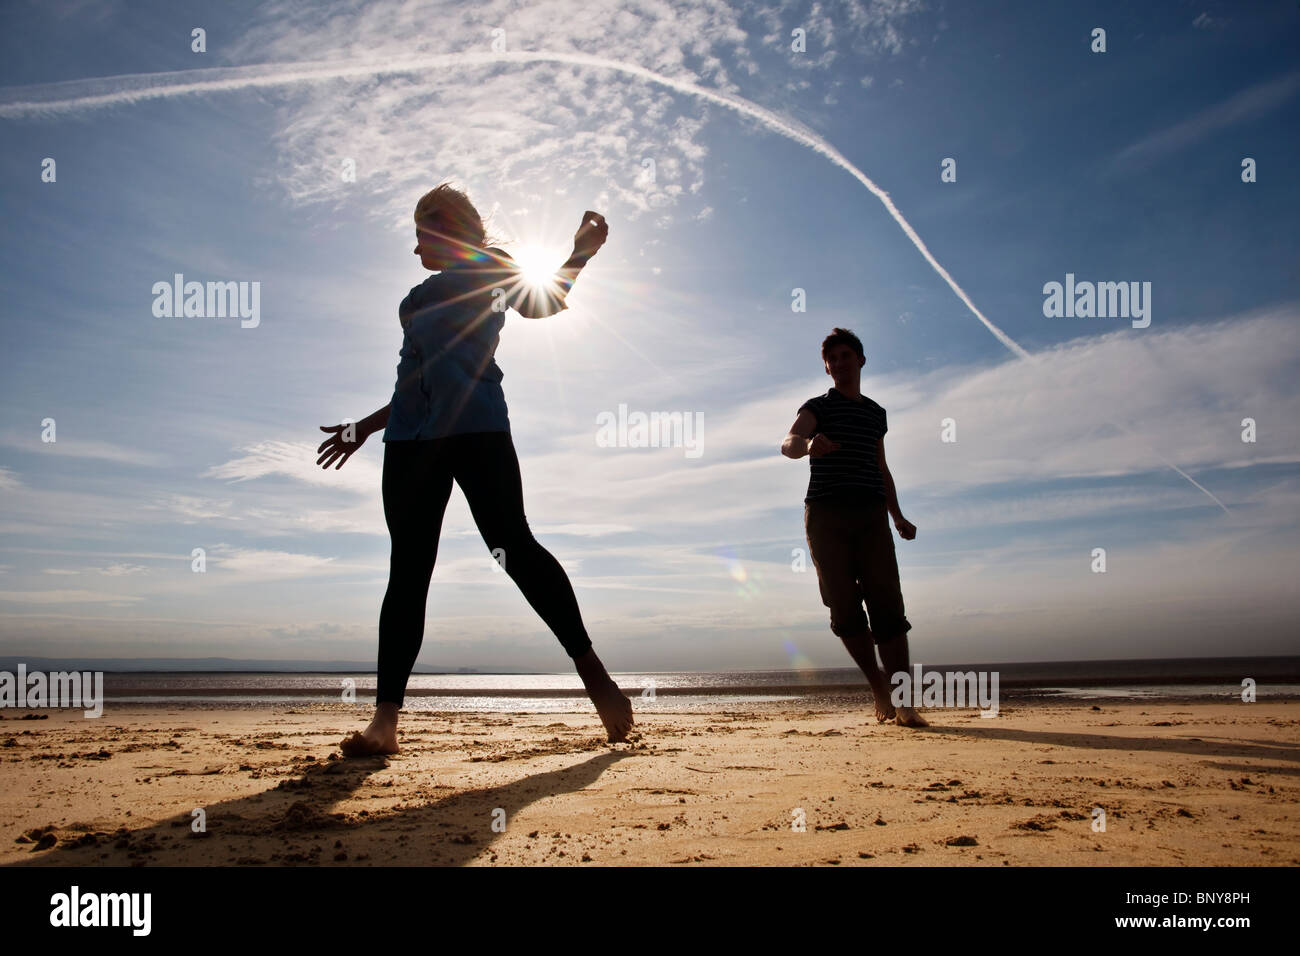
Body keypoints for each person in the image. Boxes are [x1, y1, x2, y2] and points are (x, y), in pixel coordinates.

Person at [317, 182, 633, 755]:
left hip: (479, 431)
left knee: (513, 547)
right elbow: (413, 379)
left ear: (445, 227)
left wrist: (582, 248)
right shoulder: (414, 301)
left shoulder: (496, 275)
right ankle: (384, 723)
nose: (416, 251)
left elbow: (548, 301)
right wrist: (363, 427)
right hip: (411, 443)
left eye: (420, 235)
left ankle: (597, 680)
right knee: (407, 572)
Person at [781, 327, 929, 728]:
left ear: (860, 360)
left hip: (871, 516)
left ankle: (903, 700)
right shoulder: (817, 406)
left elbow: (881, 467)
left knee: (888, 607)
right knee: (845, 609)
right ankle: (879, 688)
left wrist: (896, 515)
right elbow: (789, 442)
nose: (840, 362)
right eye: (832, 358)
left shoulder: (875, 413)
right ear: (827, 367)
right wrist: (809, 446)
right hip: (827, 517)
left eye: (846, 355)